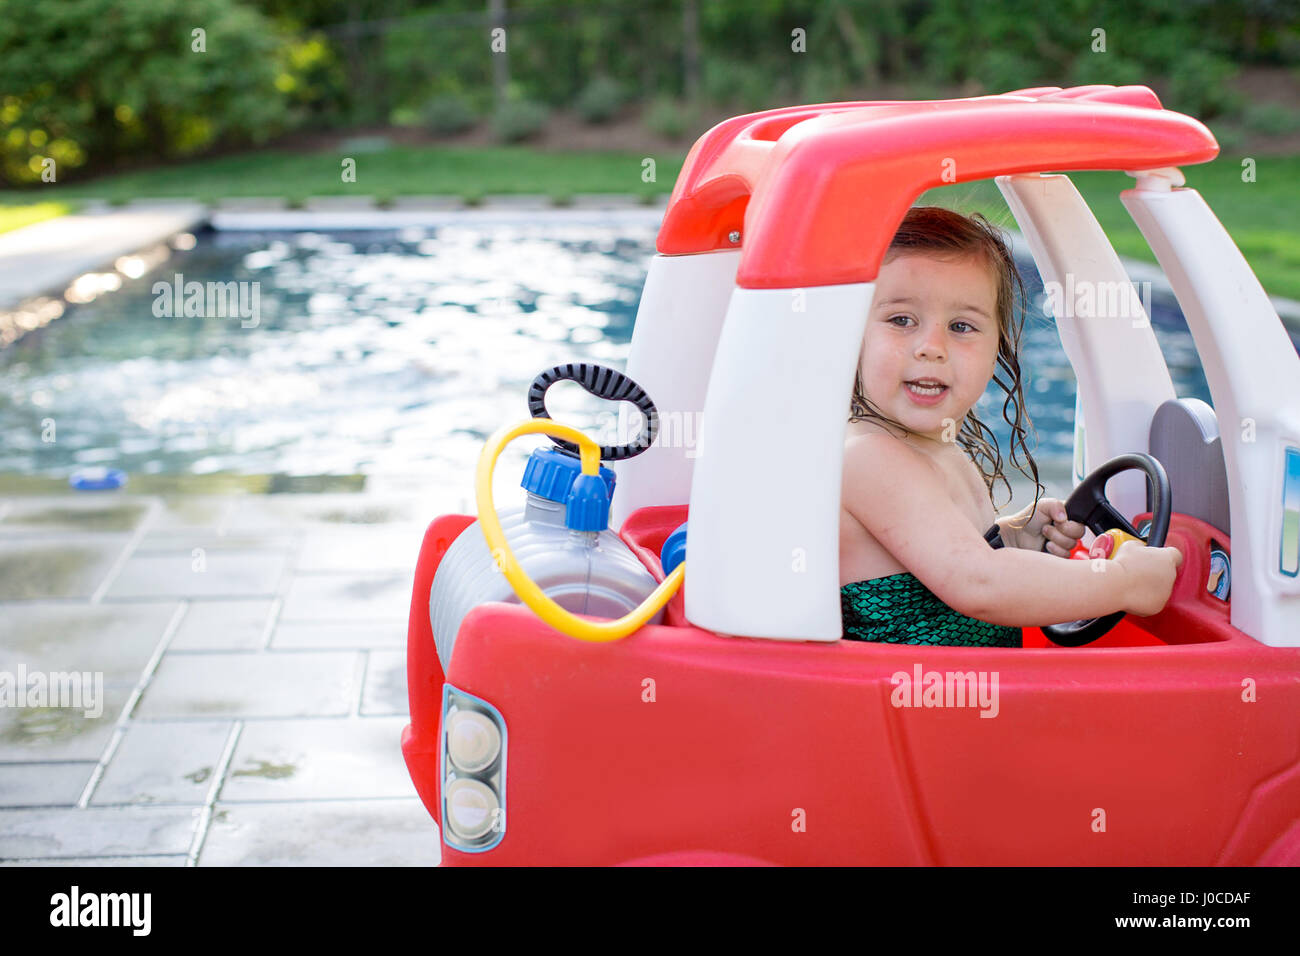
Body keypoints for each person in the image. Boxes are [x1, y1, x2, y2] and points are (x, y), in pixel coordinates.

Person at [839, 206, 1183, 646]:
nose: (932, 347)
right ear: (853, 334)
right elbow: (979, 584)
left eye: (962, 326)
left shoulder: (937, 448)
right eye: (901, 320)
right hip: (906, 708)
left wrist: (1009, 539)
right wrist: (1123, 582)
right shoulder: (870, 458)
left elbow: (954, 561)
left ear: (999, 344)